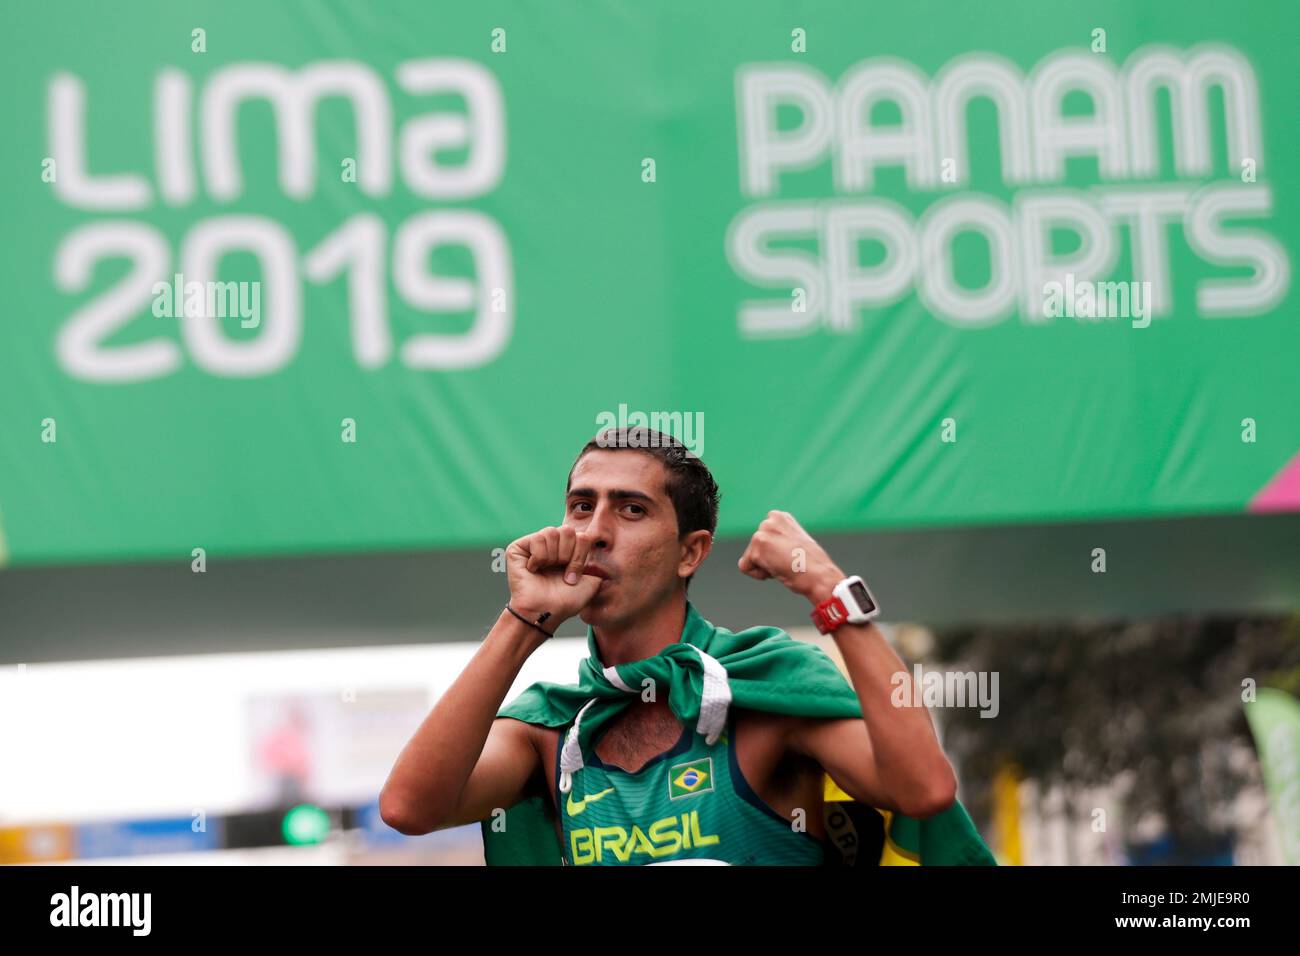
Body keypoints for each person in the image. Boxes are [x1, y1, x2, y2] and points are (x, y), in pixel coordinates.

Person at [380, 427, 958, 865]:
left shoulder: (765, 686)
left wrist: (831, 590)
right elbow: (410, 808)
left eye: (631, 509)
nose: (595, 531)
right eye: (583, 506)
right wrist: (523, 620)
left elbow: (923, 788)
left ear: (691, 552)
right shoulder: (550, 725)